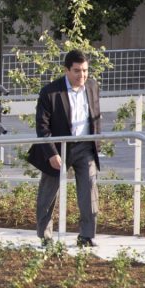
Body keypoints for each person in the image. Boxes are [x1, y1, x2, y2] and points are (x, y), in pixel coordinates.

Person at [31, 50, 101, 248]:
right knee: (48, 193)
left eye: (85, 70)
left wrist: (97, 143)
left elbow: (96, 115)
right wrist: (52, 152)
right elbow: (42, 126)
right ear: (66, 70)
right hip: (58, 148)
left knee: (89, 190)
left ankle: (87, 235)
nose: (82, 75)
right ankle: (45, 236)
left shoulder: (93, 86)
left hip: (85, 147)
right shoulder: (50, 92)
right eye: (77, 71)